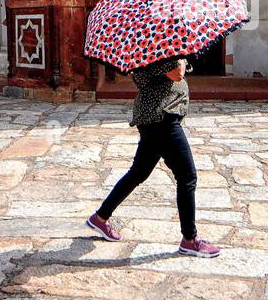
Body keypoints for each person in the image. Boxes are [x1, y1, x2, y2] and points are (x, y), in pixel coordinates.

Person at [87, 55, 221, 258]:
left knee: (138, 173)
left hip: (154, 118)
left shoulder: (155, 47)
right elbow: (177, 73)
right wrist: (181, 58)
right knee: (187, 176)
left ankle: (100, 217)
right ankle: (190, 240)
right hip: (162, 119)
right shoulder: (157, 51)